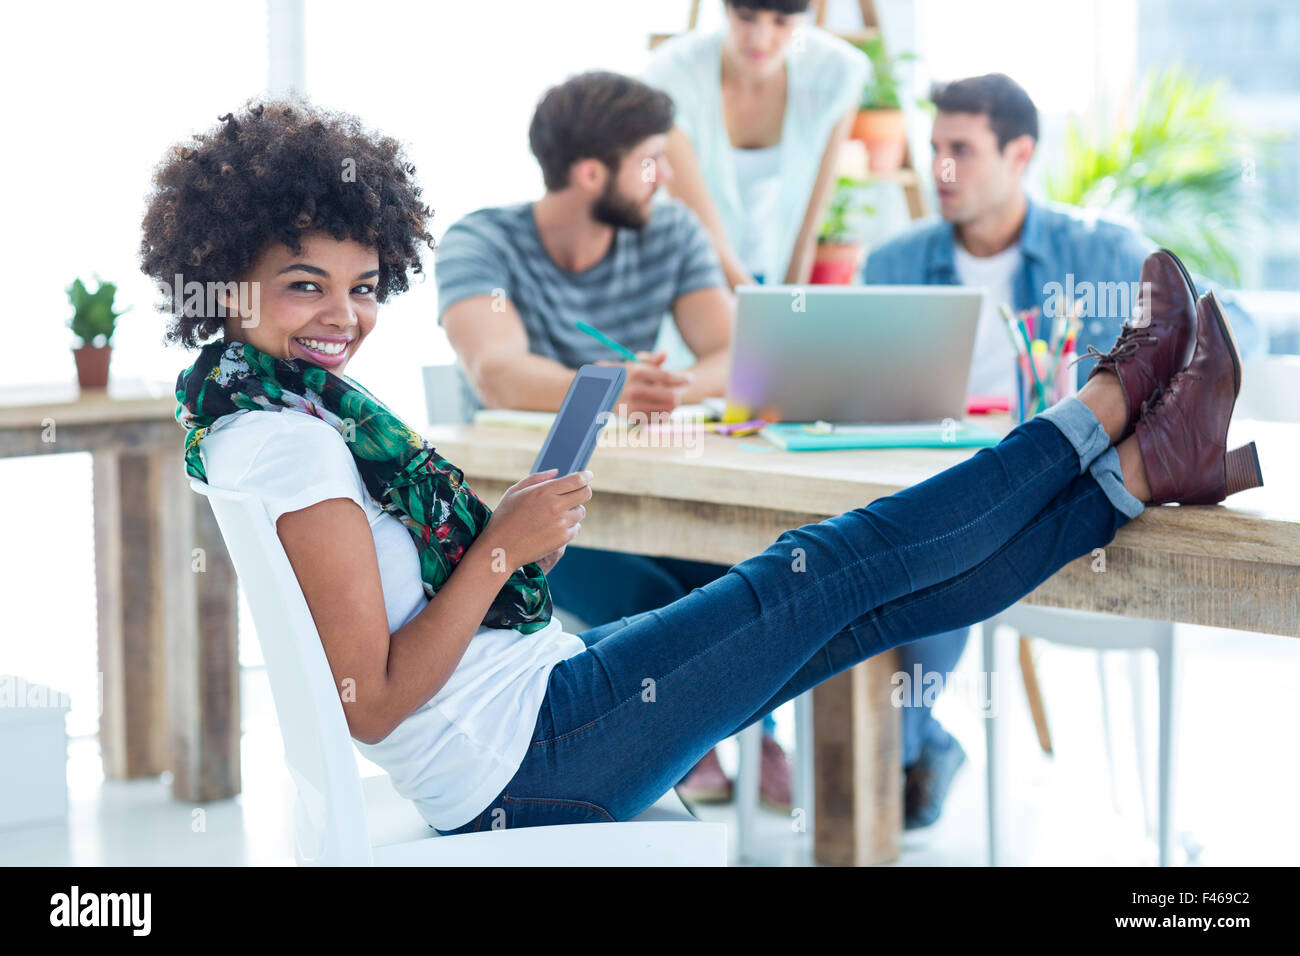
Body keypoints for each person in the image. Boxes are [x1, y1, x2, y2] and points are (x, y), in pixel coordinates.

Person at [156, 97, 1262, 841]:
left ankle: (1136, 467)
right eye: (305, 285)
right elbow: (370, 698)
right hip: (532, 756)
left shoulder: (264, 405)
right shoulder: (289, 441)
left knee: (858, 599)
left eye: (358, 285)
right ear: (223, 271)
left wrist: (506, 548)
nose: (342, 316)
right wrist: (500, 548)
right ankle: (1113, 403)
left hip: (537, 717)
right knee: (837, 559)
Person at [862, 72, 1266, 830]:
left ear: (1020, 154)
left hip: (1043, 500)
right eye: (933, 149)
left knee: (937, 548)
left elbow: (1233, 317)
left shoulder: (1097, 249)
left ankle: (902, 760)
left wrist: (1182, 388)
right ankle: (908, 757)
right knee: (902, 545)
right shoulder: (892, 265)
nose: (941, 170)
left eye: (962, 150)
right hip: (924, 484)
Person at [434, 71, 794, 810]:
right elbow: (496, 370)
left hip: (646, 488)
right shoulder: (482, 240)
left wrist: (672, 387)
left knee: (745, 578)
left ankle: (716, 739)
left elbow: (735, 357)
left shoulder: (669, 231)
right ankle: (690, 744)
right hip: (525, 512)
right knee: (657, 598)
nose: (665, 178)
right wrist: (608, 384)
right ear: (592, 171)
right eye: (650, 161)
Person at [641, 0, 868, 287]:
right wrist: (762, 312)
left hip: (770, 265)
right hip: (691, 278)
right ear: (725, 8)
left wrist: (787, 305)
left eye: (781, 22)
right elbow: (699, 229)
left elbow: (807, 224)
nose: (761, 39)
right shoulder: (671, 74)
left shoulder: (837, 73)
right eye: (746, 17)